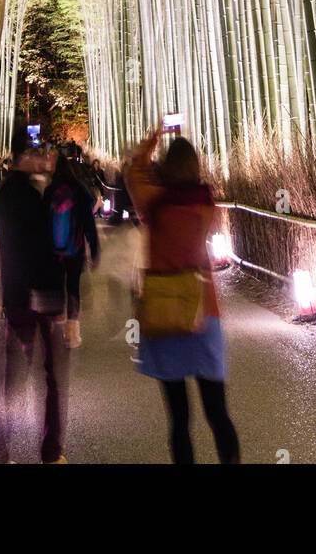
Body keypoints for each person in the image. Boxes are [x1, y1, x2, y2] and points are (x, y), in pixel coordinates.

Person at [124, 127, 240, 465]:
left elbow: (133, 171)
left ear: (166, 168)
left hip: (163, 314)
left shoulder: (155, 204)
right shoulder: (205, 202)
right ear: (196, 168)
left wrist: (151, 140)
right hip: (202, 312)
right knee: (218, 413)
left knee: (179, 419)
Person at [0, 129, 68, 464]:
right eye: (34, 151)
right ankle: (50, 453)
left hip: (16, 295)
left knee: (12, 376)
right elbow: (47, 244)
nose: (40, 157)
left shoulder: (5, 192)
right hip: (40, 295)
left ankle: (1, 452)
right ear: (22, 155)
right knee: (51, 375)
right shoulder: (30, 195)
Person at [46, 150, 100, 347]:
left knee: (57, 284)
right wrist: (95, 251)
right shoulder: (79, 190)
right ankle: (72, 334)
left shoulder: (50, 190)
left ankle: (56, 323)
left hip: (54, 250)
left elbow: (43, 222)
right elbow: (89, 225)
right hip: (75, 250)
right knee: (73, 288)